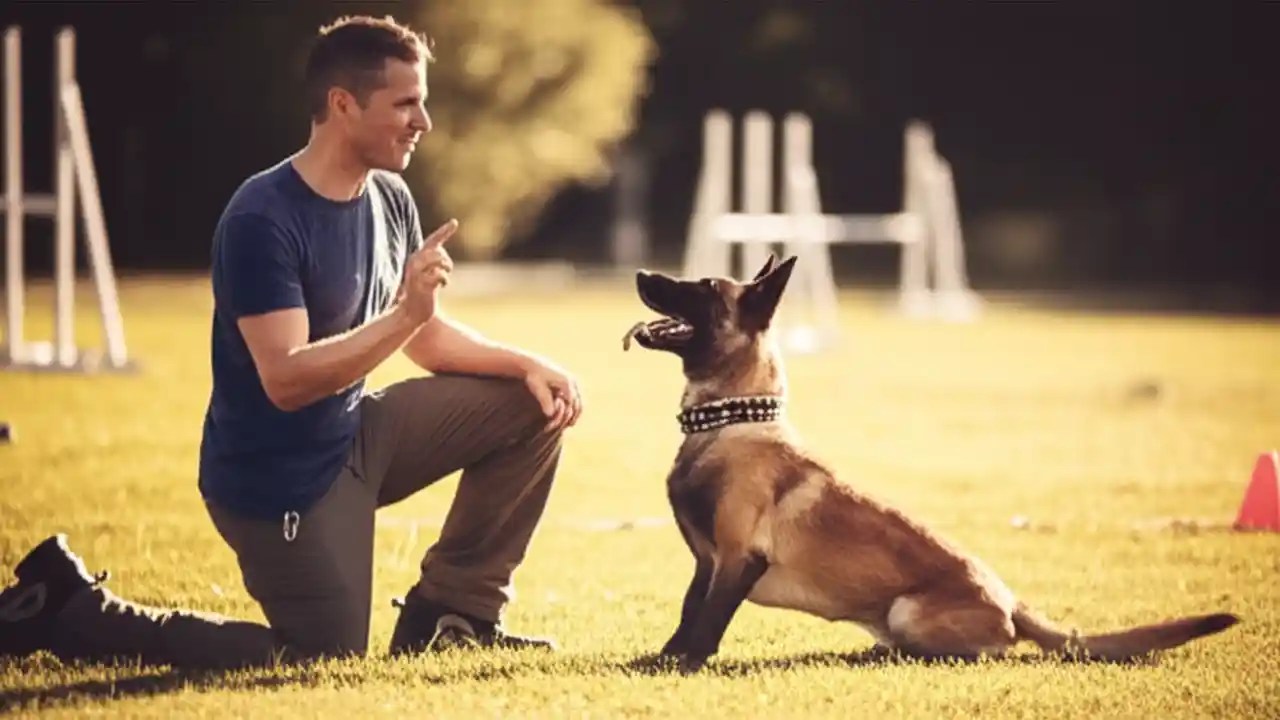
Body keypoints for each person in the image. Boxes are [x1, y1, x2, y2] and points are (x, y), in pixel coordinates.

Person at [0, 14, 583, 670]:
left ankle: (455, 616)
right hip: (278, 481)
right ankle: (72, 609)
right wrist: (404, 317)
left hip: (355, 436)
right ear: (343, 104)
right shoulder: (262, 217)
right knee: (321, 653)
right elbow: (286, 379)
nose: (423, 121)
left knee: (533, 404)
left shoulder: (391, 198)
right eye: (405, 104)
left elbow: (426, 338)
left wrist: (527, 364)